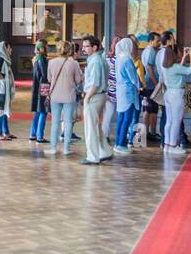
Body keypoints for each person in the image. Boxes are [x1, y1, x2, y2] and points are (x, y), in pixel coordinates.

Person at [154, 42, 191, 154]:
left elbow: (179, 68)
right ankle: (173, 146)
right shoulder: (175, 68)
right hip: (176, 95)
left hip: (168, 94)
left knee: (169, 121)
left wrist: (184, 57)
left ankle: (167, 145)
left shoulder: (166, 67)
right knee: (176, 121)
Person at [80, 34, 113, 165]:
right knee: (96, 126)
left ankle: (93, 157)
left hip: (94, 96)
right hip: (99, 96)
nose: (83, 49)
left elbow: (95, 83)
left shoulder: (95, 61)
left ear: (94, 47)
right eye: (83, 46)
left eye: (86, 46)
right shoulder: (99, 59)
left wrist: (87, 97)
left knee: (90, 128)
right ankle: (105, 151)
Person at [45, 40, 83, 155]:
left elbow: (49, 79)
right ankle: (66, 149)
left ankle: (53, 148)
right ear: (69, 50)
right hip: (69, 96)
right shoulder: (74, 64)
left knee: (55, 122)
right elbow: (78, 80)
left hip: (55, 96)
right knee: (68, 122)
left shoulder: (51, 62)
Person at [112, 36, 141, 154]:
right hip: (128, 91)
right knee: (127, 118)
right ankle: (121, 144)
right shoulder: (127, 60)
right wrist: (138, 86)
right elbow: (133, 77)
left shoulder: (118, 58)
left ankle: (117, 142)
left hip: (120, 90)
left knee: (121, 117)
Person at [139, 32, 163, 143]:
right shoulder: (150, 51)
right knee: (149, 110)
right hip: (150, 85)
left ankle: (150, 132)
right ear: (150, 41)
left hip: (151, 85)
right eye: (157, 40)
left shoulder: (152, 51)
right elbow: (149, 68)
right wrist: (156, 82)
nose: (159, 42)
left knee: (152, 109)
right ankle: (149, 133)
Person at [0, 40, 15, 141]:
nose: (11, 50)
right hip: (0, 90)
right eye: (9, 48)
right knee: (0, 111)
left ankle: (6, 132)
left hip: (3, 89)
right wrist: (1, 75)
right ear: (4, 49)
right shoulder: (0, 59)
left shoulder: (5, 60)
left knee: (4, 110)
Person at [28, 40, 50, 142]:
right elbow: (45, 75)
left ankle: (33, 134)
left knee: (37, 111)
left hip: (37, 87)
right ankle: (40, 136)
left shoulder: (36, 58)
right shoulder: (42, 58)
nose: (47, 48)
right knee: (43, 111)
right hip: (43, 87)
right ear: (42, 48)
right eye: (46, 46)